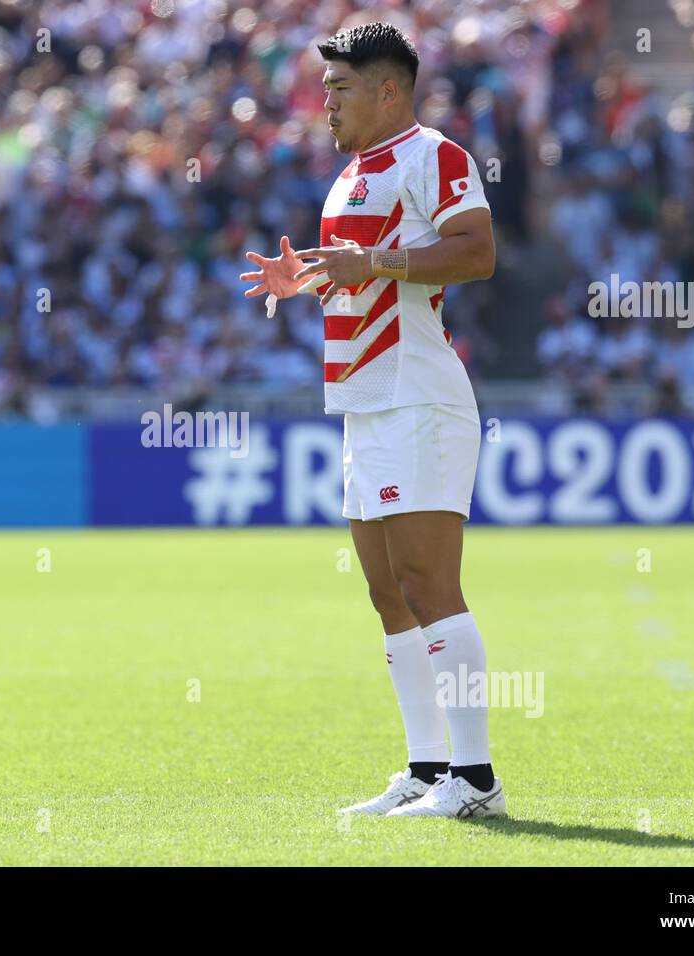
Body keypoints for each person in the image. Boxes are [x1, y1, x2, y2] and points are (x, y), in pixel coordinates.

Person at [240, 22, 504, 819]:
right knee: (388, 592)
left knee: (431, 584)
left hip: (419, 394)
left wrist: (376, 263)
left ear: (390, 89)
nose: (325, 102)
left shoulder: (436, 155)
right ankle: (427, 770)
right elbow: (365, 280)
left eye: (340, 87)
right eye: (325, 88)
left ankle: (478, 780)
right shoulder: (350, 178)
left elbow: (477, 253)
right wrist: (310, 283)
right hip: (364, 399)